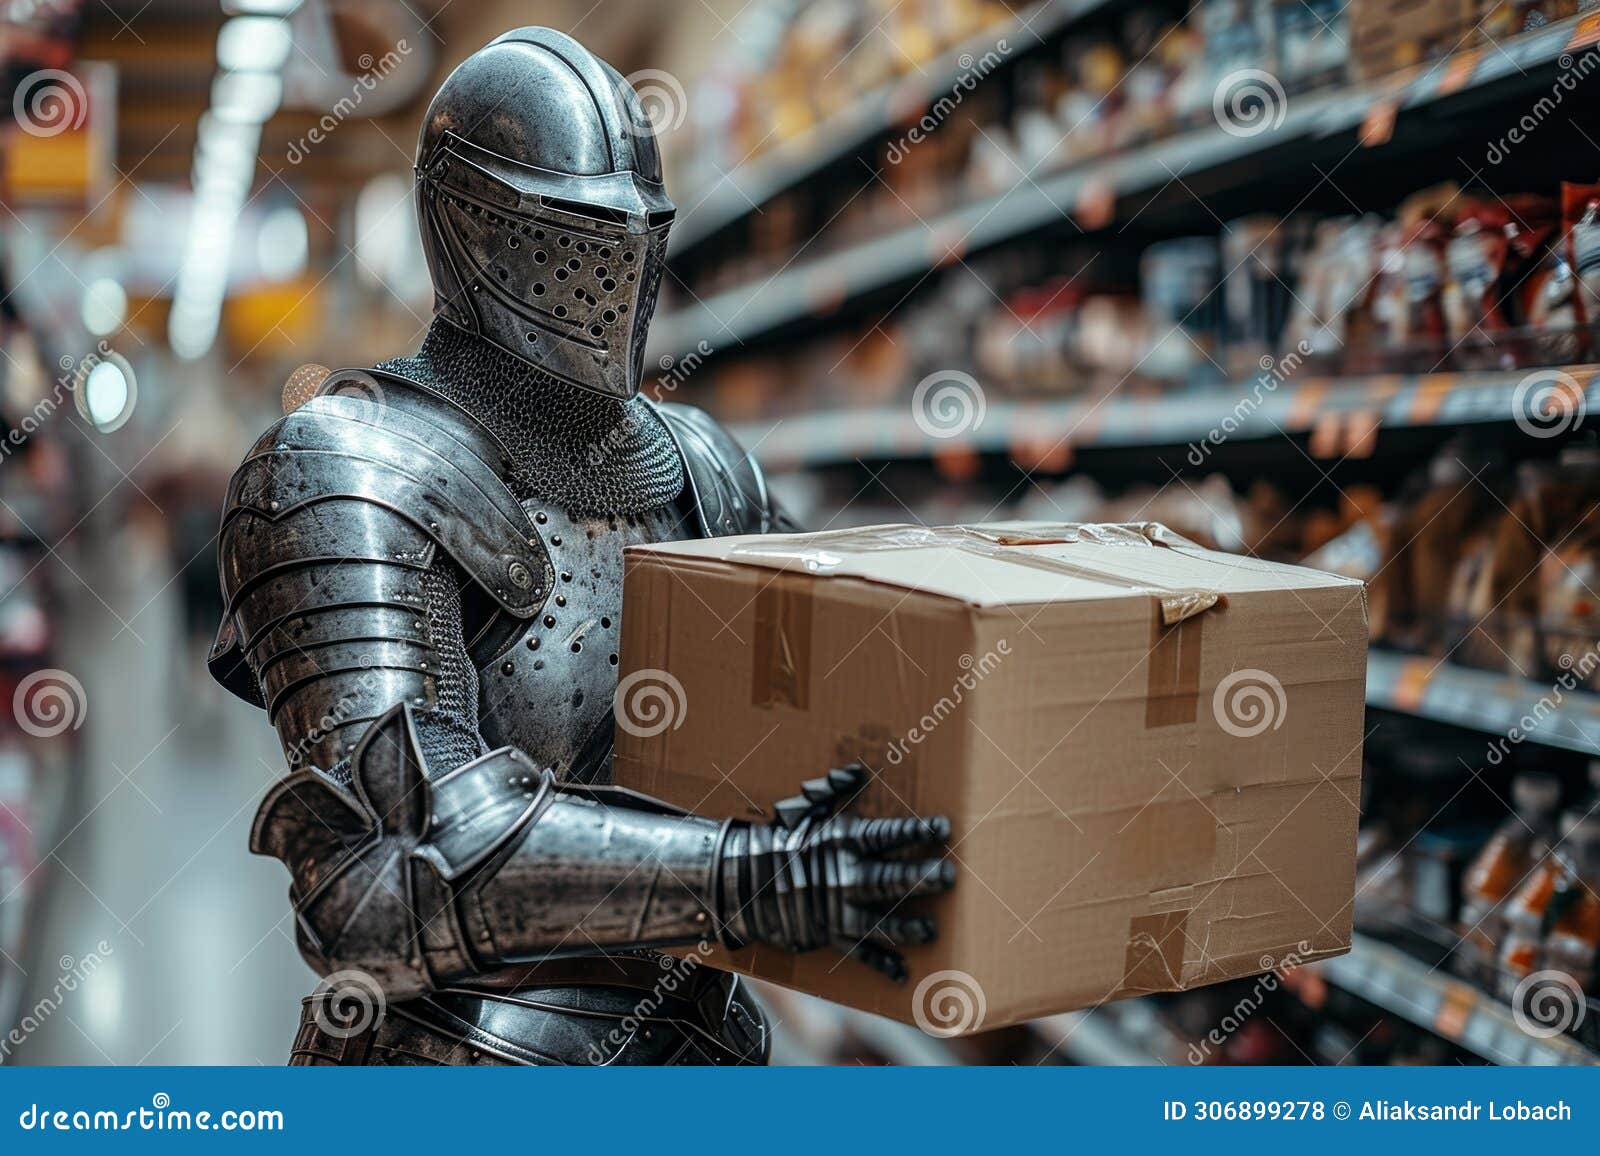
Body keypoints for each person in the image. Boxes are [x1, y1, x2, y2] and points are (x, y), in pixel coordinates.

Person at [209, 26, 954, 1066]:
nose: (607, 274)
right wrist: (747, 877)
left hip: (708, 1049)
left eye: (629, 237)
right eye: (567, 237)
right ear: (465, 224)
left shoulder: (706, 467)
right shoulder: (346, 464)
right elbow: (390, 875)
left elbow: (819, 721)